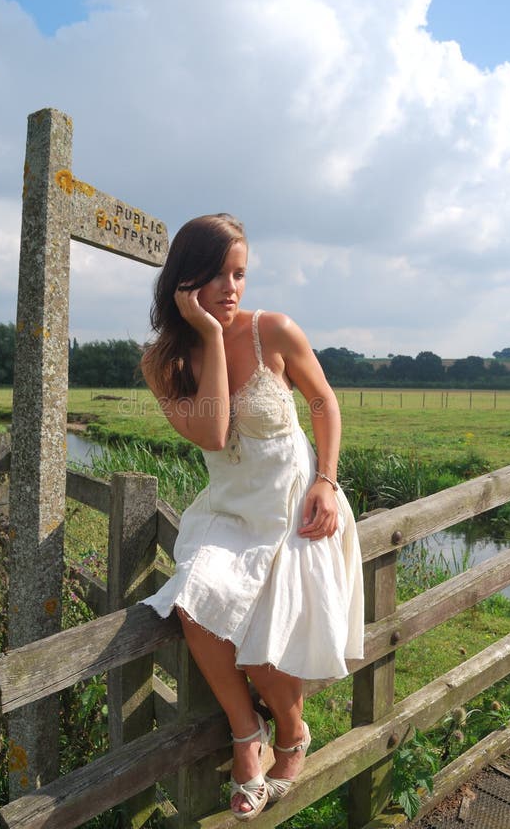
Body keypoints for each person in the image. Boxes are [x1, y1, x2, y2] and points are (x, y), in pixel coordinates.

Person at [140, 213, 364, 821]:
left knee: (264, 646)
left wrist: (327, 480)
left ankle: (292, 734)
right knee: (195, 602)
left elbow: (323, 401)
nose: (231, 287)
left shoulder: (274, 330)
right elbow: (214, 434)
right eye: (217, 274)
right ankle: (248, 734)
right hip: (230, 512)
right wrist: (210, 337)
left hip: (295, 508)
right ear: (185, 280)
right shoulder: (163, 362)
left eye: (239, 274)